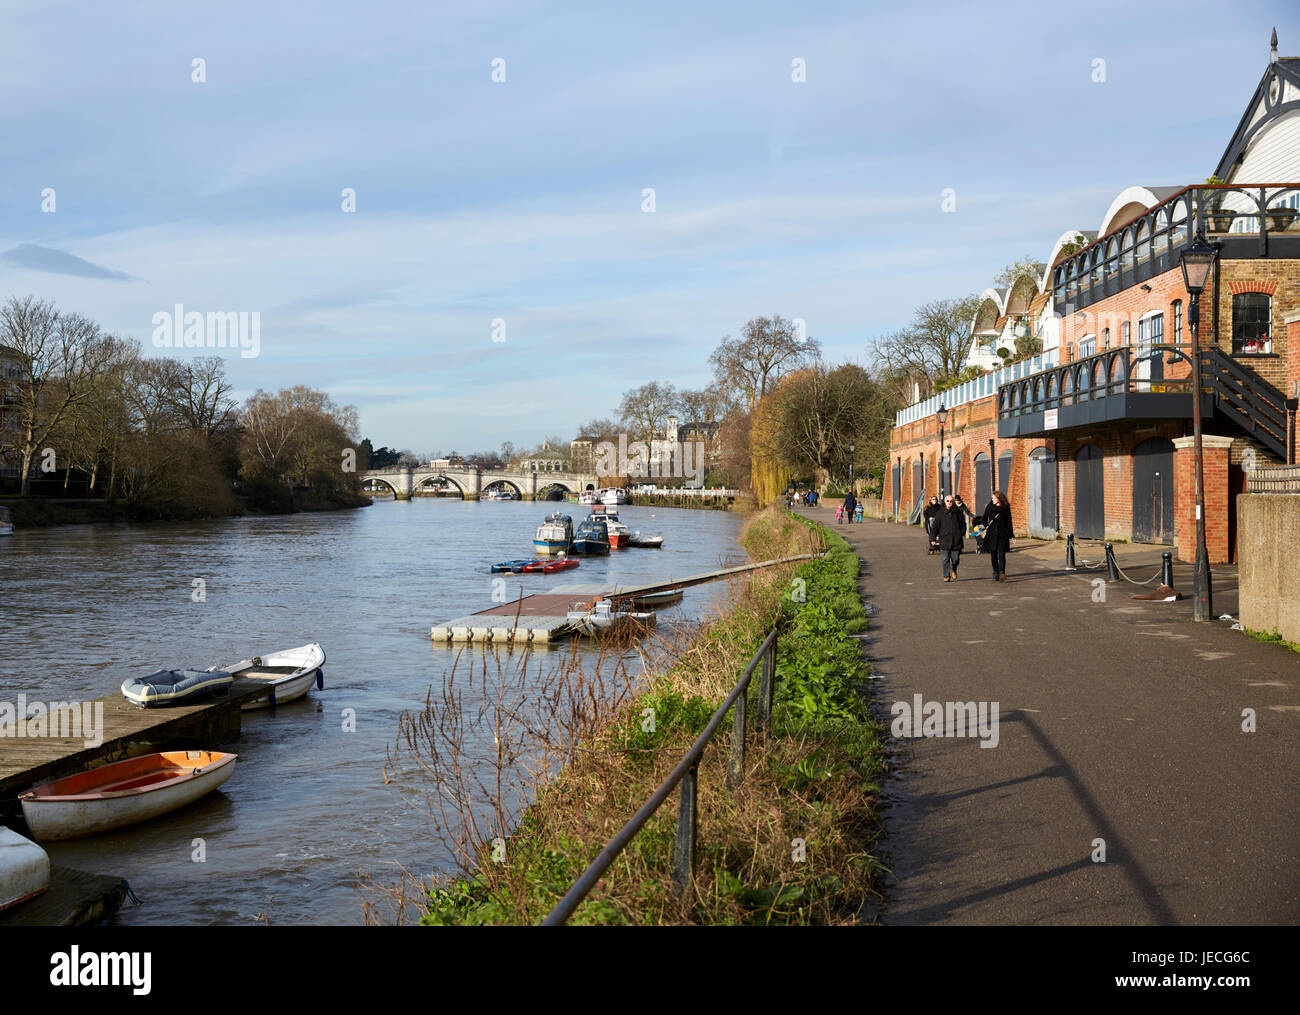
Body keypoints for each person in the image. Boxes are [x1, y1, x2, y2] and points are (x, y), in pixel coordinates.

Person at [981, 490, 1015, 582]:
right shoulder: (989, 507)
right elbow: (984, 518)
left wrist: (1012, 535)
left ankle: (1002, 573)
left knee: (1001, 555)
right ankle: (995, 571)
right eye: (992, 498)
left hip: (1002, 535)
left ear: (999, 499)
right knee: (993, 555)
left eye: (994, 498)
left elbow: (1009, 522)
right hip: (991, 534)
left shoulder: (1006, 508)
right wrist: (987, 525)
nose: (992, 499)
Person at [935, 494, 966, 582]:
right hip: (944, 539)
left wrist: (961, 533)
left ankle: (954, 569)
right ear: (945, 502)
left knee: (956, 559)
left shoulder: (958, 512)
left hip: (956, 540)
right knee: (945, 559)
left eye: (951, 501)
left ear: (953, 502)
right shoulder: (939, 513)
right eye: (947, 501)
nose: (949, 503)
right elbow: (935, 527)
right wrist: (932, 539)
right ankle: (946, 575)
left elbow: (963, 524)